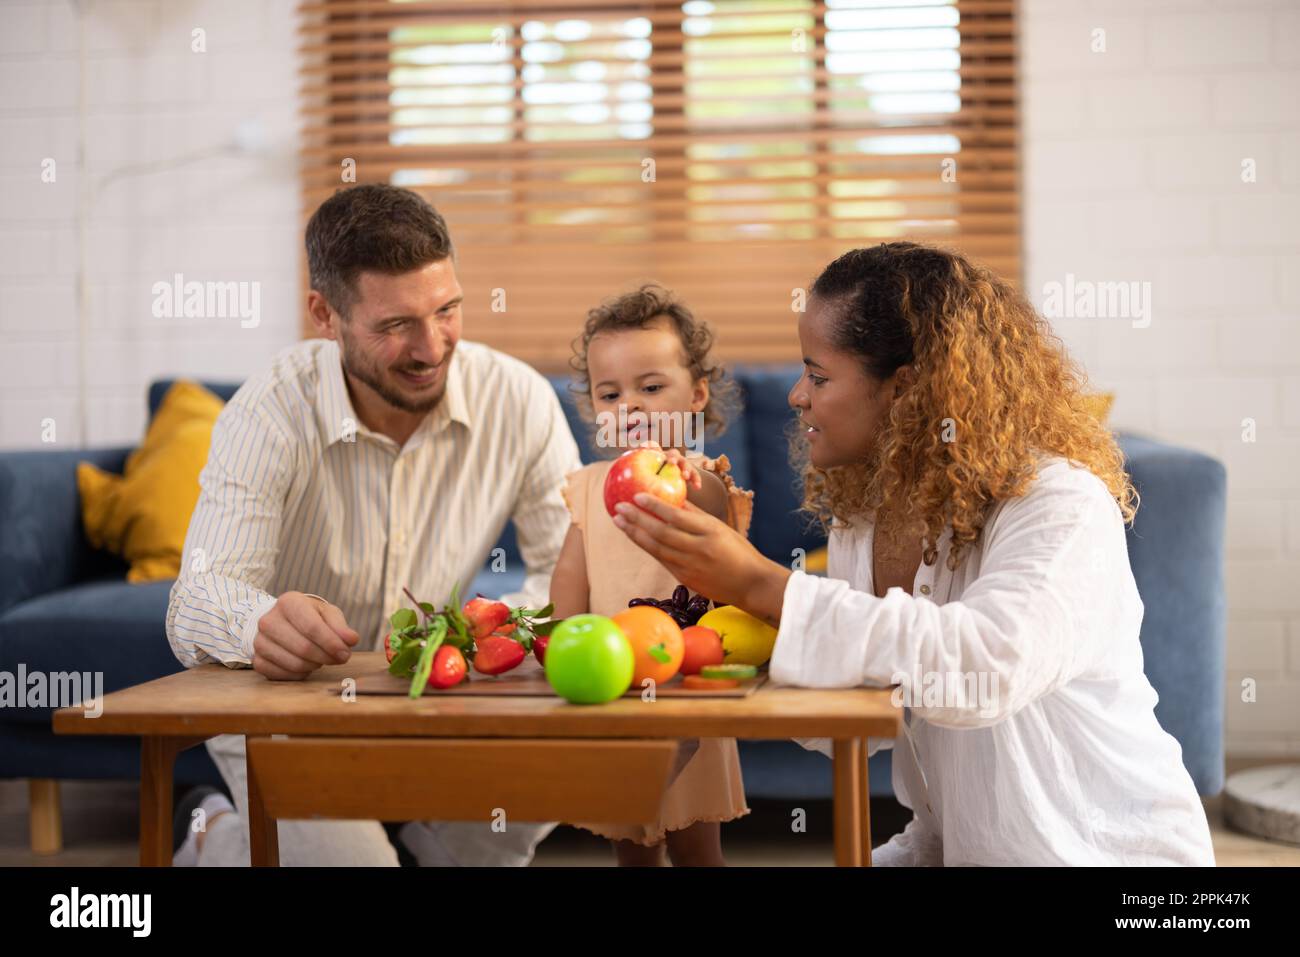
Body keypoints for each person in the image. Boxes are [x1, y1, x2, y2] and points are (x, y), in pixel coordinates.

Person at [609, 242, 1216, 866]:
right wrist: (725, 597)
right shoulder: (866, 517)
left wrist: (762, 584)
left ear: (906, 390)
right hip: (953, 850)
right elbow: (842, 715)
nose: (797, 395)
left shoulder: (1061, 503)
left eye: (818, 375)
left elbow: (984, 669)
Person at [165, 184, 581, 866]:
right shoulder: (268, 411)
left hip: (433, 700)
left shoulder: (520, 399)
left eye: (447, 309)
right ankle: (213, 833)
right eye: (395, 326)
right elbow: (193, 602)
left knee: (563, 768)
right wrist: (260, 622)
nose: (431, 346)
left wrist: (501, 625)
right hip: (284, 709)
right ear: (324, 314)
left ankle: (397, 848)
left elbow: (568, 571)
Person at [549, 285, 753, 866]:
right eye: (610, 394)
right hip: (613, 683)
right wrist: (560, 636)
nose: (630, 407)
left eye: (651, 387)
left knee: (696, 848)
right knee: (632, 845)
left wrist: (688, 479)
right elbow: (571, 574)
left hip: (690, 684)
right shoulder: (589, 486)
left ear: (697, 396)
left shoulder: (701, 479)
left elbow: (724, 532)